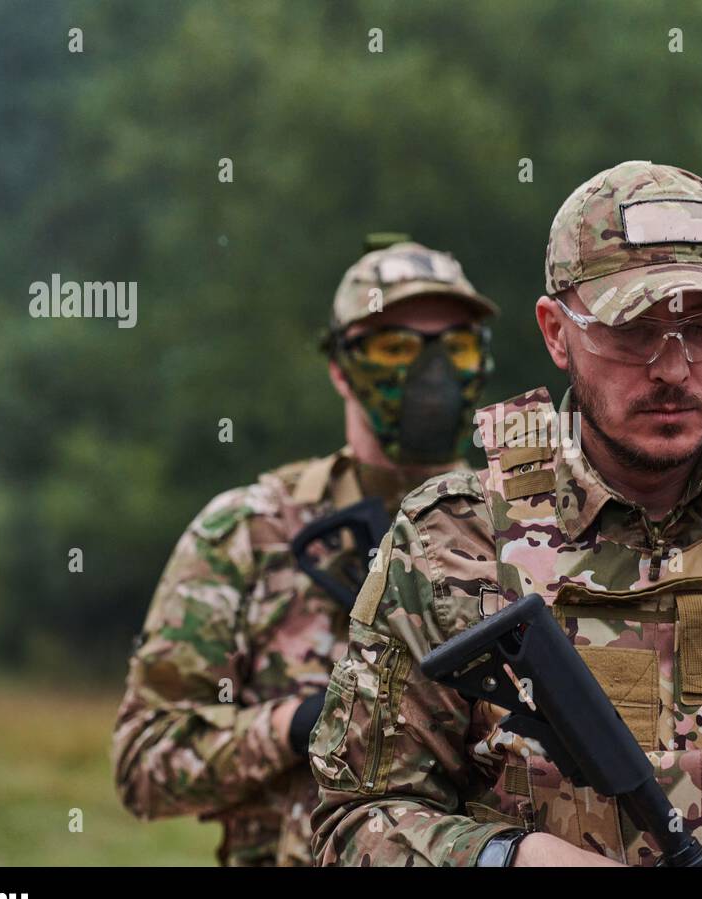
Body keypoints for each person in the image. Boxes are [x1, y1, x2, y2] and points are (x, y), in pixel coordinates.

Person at [307, 161, 702, 867]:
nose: (672, 367)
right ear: (555, 331)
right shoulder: (453, 539)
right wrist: (514, 860)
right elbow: (354, 823)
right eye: (633, 331)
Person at [111, 237, 498, 865]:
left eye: (454, 346)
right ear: (341, 368)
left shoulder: (517, 533)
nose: (432, 371)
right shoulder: (252, 532)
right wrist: (296, 725)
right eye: (395, 346)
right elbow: (143, 765)